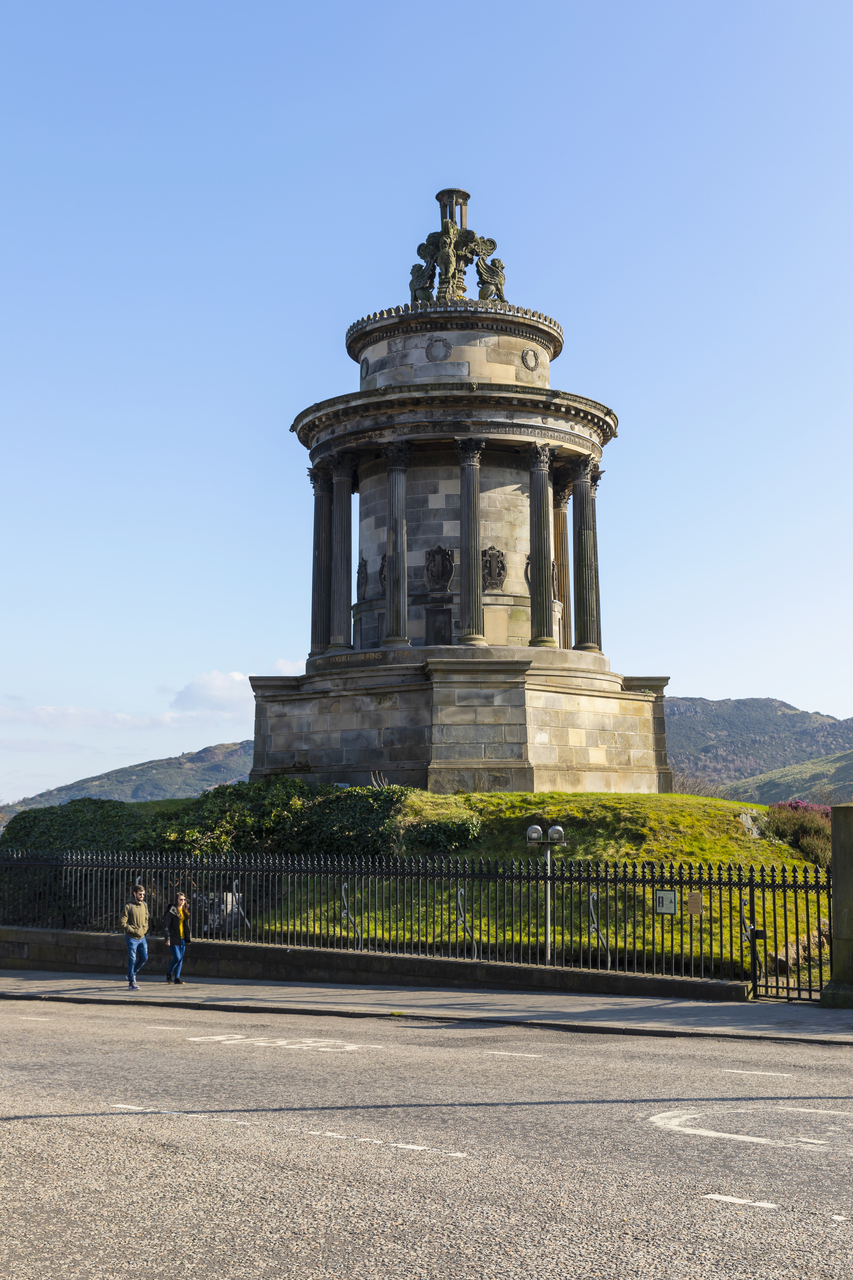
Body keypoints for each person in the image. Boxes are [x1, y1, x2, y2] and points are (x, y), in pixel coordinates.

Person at [120, 884, 149, 991]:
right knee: (132, 959)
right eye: (140, 894)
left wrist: (144, 929)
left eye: (143, 894)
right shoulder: (129, 906)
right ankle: (132, 982)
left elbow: (146, 919)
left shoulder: (144, 905)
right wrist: (134, 930)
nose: (142, 896)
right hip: (131, 938)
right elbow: (122, 923)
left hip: (142, 937)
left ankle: (132, 974)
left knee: (144, 957)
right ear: (134, 894)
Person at [163, 891, 191, 985]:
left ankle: (177, 978)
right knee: (177, 957)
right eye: (181, 900)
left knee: (181, 958)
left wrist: (188, 938)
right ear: (176, 900)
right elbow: (166, 925)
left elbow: (186, 926)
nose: (183, 901)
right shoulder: (172, 911)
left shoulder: (184, 910)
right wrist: (167, 939)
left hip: (182, 938)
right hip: (174, 938)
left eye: (184, 899)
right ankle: (169, 973)